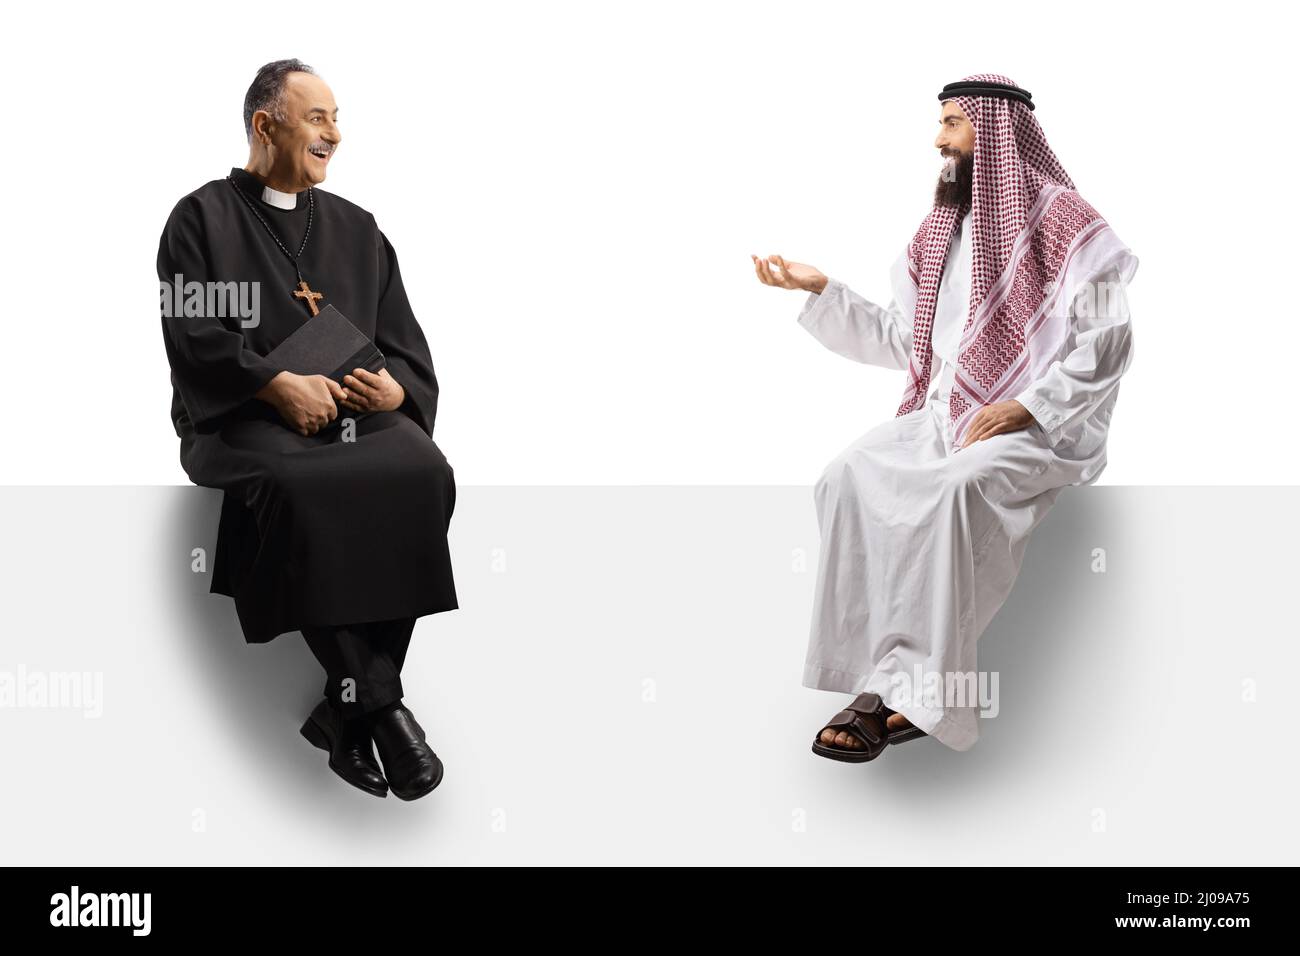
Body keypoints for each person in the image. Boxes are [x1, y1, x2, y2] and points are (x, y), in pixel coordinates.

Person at [752, 74, 1137, 761]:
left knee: (953, 493)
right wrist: (822, 290)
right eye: (941, 124)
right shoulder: (938, 232)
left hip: (1039, 425)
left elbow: (1110, 339)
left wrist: (1028, 405)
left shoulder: (1071, 224)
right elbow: (908, 341)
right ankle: (873, 675)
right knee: (846, 475)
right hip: (943, 413)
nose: (939, 139)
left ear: (994, 131)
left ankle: (898, 698)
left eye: (953, 123)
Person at [158, 59, 457, 799]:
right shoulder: (204, 219)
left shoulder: (356, 228)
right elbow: (193, 335)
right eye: (318, 117)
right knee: (298, 485)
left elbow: (404, 346)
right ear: (266, 124)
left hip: (354, 418)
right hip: (245, 419)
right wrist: (273, 382)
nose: (335, 133)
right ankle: (380, 711)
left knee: (425, 471)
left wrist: (395, 388)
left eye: (336, 118)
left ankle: (347, 710)